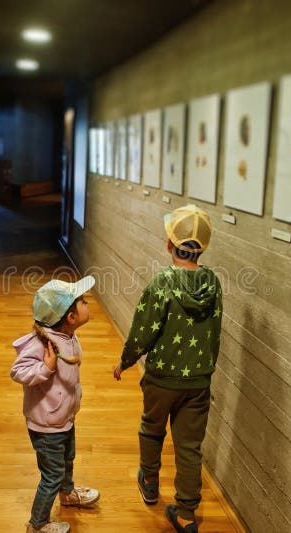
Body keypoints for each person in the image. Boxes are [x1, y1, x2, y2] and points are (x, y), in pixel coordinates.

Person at [113, 204, 223, 533]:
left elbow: (143, 330)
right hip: (198, 381)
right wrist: (205, 372)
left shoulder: (162, 283)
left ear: (168, 245)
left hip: (162, 378)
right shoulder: (213, 284)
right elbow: (215, 332)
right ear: (203, 248)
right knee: (189, 446)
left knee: (152, 429)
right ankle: (187, 514)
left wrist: (126, 360)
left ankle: (149, 480)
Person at [11, 276, 101, 533]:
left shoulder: (67, 335)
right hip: (46, 425)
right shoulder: (41, 343)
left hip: (64, 417)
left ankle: (68, 494)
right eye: (82, 302)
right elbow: (18, 372)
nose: (87, 303)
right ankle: (37, 524)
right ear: (70, 317)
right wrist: (45, 368)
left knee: (67, 459)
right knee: (51, 476)